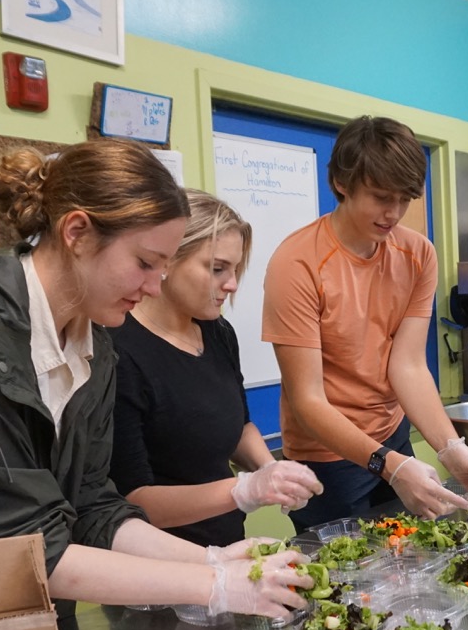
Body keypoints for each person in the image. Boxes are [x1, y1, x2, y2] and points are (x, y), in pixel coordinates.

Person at [0, 138, 309, 619]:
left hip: (13, 609)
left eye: (163, 267)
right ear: (77, 233)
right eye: (144, 263)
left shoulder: (91, 345)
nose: (155, 285)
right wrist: (216, 586)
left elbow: (94, 507)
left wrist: (214, 559)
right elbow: (25, 548)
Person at [262, 115, 468, 533]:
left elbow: (407, 365)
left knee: (406, 569)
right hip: (326, 458)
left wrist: (450, 449)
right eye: (380, 198)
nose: (393, 214)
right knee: (342, 584)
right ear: (341, 182)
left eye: (404, 200)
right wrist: (390, 468)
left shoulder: (417, 254)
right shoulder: (297, 263)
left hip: (393, 439)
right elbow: (308, 400)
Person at [109, 190, 322, 547]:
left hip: (225, 541)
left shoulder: (217, 331)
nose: (232, 284)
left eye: (236, 269)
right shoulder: (119, 351)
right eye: (217, 268)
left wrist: (267, 468)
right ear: (167, 260)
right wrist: (242, 490)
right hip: (158, 562)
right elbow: (134, 501)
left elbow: (236, 425)